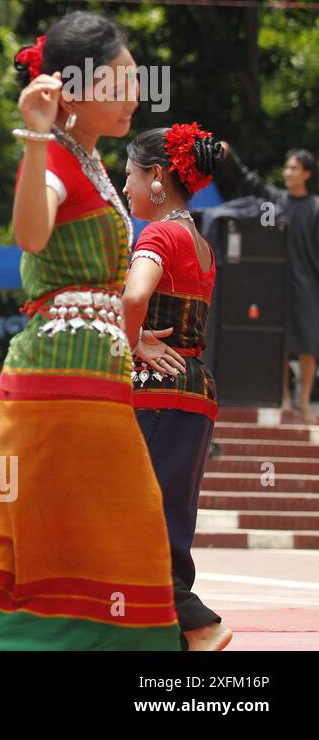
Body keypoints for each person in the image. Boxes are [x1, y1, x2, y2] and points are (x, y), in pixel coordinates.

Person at [0, 11, 179, 650]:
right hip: (61, 383)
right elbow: (32, 236)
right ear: (72, 87)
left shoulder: (89, 162)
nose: (133, 94)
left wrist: (132, 330)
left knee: (38, 538)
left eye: (135, 79)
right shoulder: (58, 158)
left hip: (86, 373)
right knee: (115, 526)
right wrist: (36, 139)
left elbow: (95, 280)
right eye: (118, 81)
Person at [122, 123, 232, 651]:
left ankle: (199, 625)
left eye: (131, 177)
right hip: (194, 391)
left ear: (158, 177)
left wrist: (134, 339)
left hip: (157, 390)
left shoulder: (159, 234)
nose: (125, 189)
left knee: (133, 515)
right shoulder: (201, 243)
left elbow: (133, 295)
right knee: (169, 518)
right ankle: (174, 637)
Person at [218, 145, 319, 422]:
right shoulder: (276, 201)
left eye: (294, 168)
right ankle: (284, 399)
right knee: (280, 341)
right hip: (276, 282)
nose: (288, 172)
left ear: (307, 173)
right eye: (287, 167)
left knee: (310, 343)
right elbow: (250, 182)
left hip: (308, 283)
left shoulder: (315, 207)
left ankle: (304, 401)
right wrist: (230, 157)